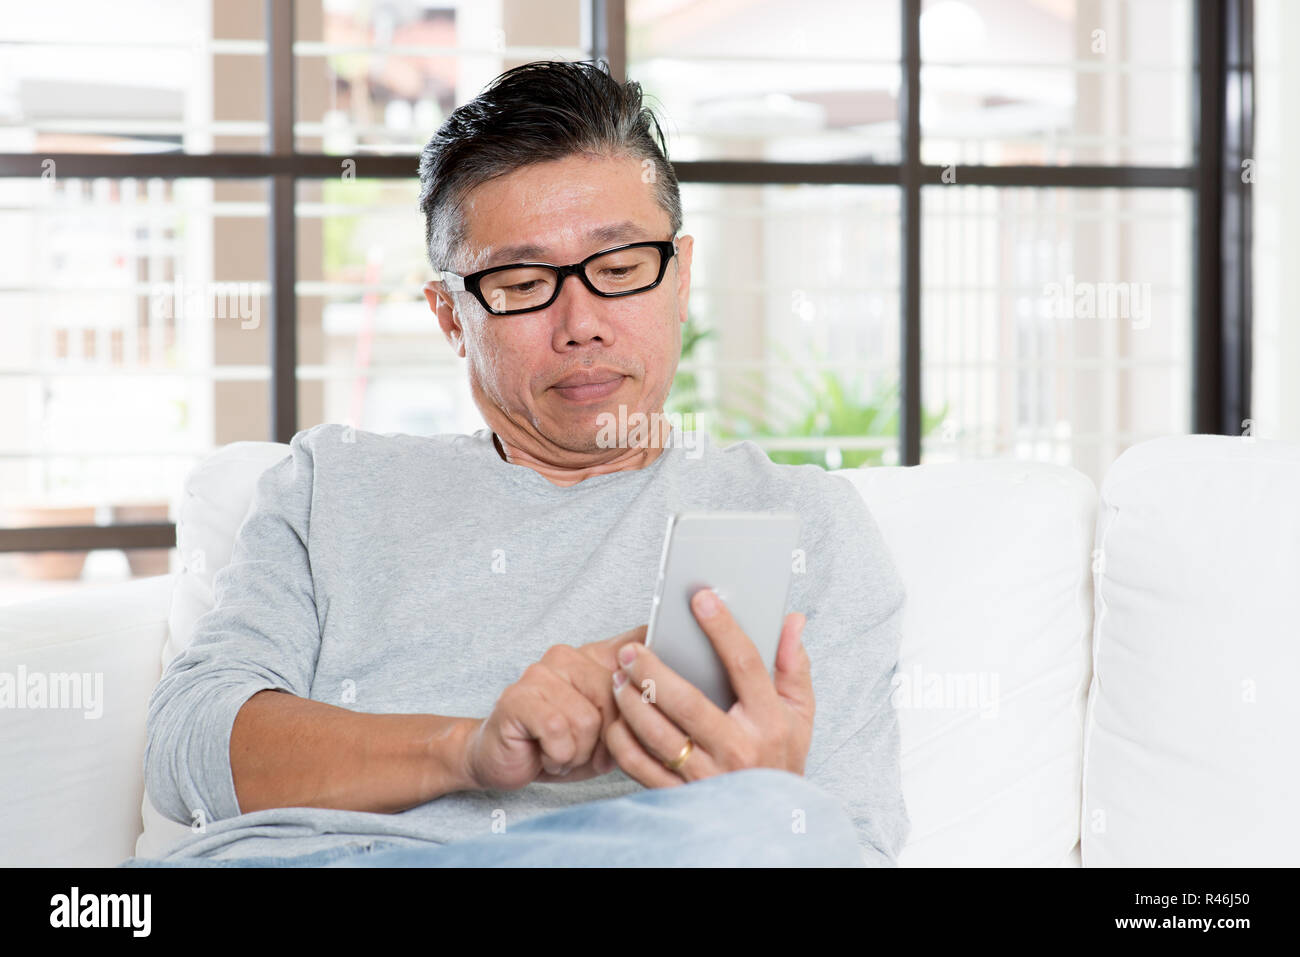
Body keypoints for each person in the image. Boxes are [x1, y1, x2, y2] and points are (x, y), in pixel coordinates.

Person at [121, 59, 909, 869]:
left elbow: (853, 847)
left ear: (680, 275)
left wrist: (759, 797)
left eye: (621, 268)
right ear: (449, 315)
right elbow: (190, 752)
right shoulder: (334, 485)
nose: (582, 323)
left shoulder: (800, 521)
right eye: (524, 281)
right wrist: (468, 749)